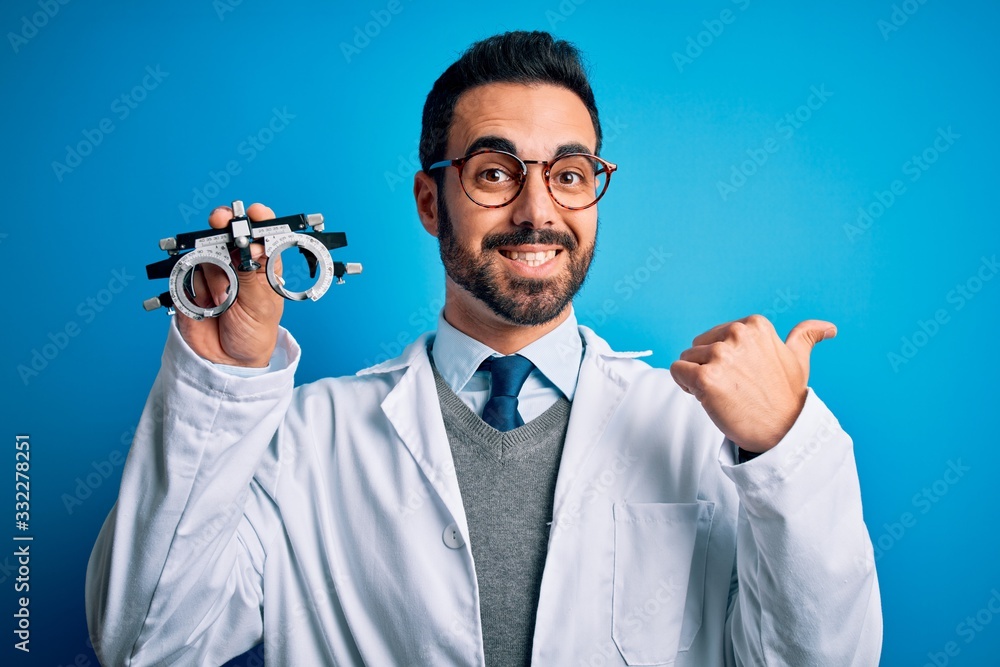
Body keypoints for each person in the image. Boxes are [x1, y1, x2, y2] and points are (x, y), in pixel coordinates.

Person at [86, 30, 882, 666]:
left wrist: (785, 446)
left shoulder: (702, 434)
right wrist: (221, 385)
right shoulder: (305, 441)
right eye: (496, 172)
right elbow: (145, 643)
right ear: (431, 201)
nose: (538, 210)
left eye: (570, 175)